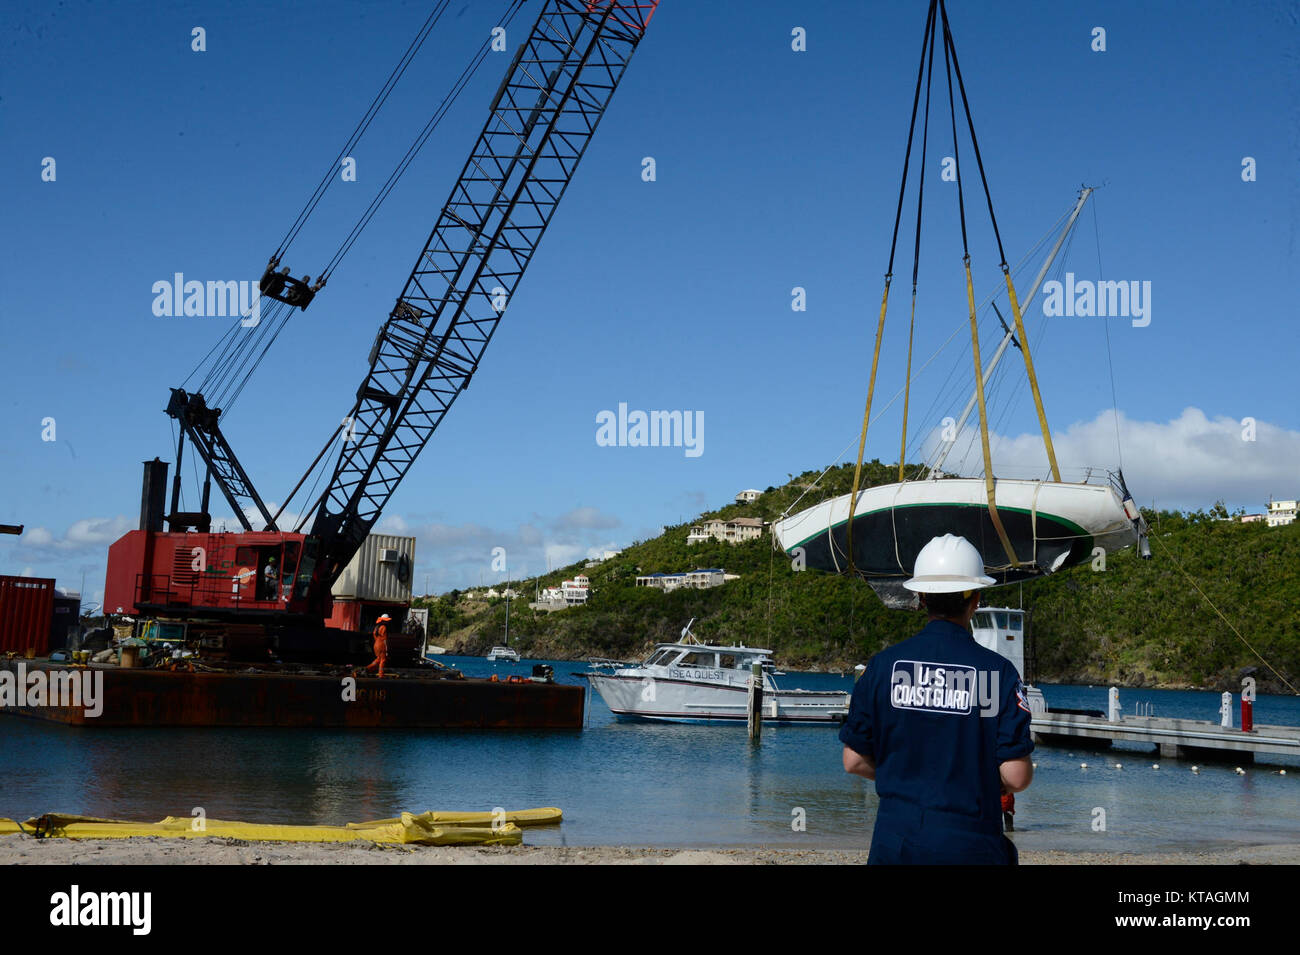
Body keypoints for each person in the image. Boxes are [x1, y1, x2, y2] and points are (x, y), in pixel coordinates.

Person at [840, 533, 1034, 865]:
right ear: (975, 600)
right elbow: (1016, 776)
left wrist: (903, 778)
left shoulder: (884, 667)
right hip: (970, 842)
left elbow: (854, 761)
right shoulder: (992, 674)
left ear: (920, 598)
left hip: (896, 841)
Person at [363, 614, 391, 679]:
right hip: (381, 645)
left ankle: (367, 668)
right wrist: (387, 649)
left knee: (378, 659)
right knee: (383, 660)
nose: (388, 622)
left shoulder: (376, 627)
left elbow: (374, 636)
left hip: (376, 644)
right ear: (384, 620)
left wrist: (377, 643)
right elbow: (385, 640)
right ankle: (381, 675)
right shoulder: (384, 627)